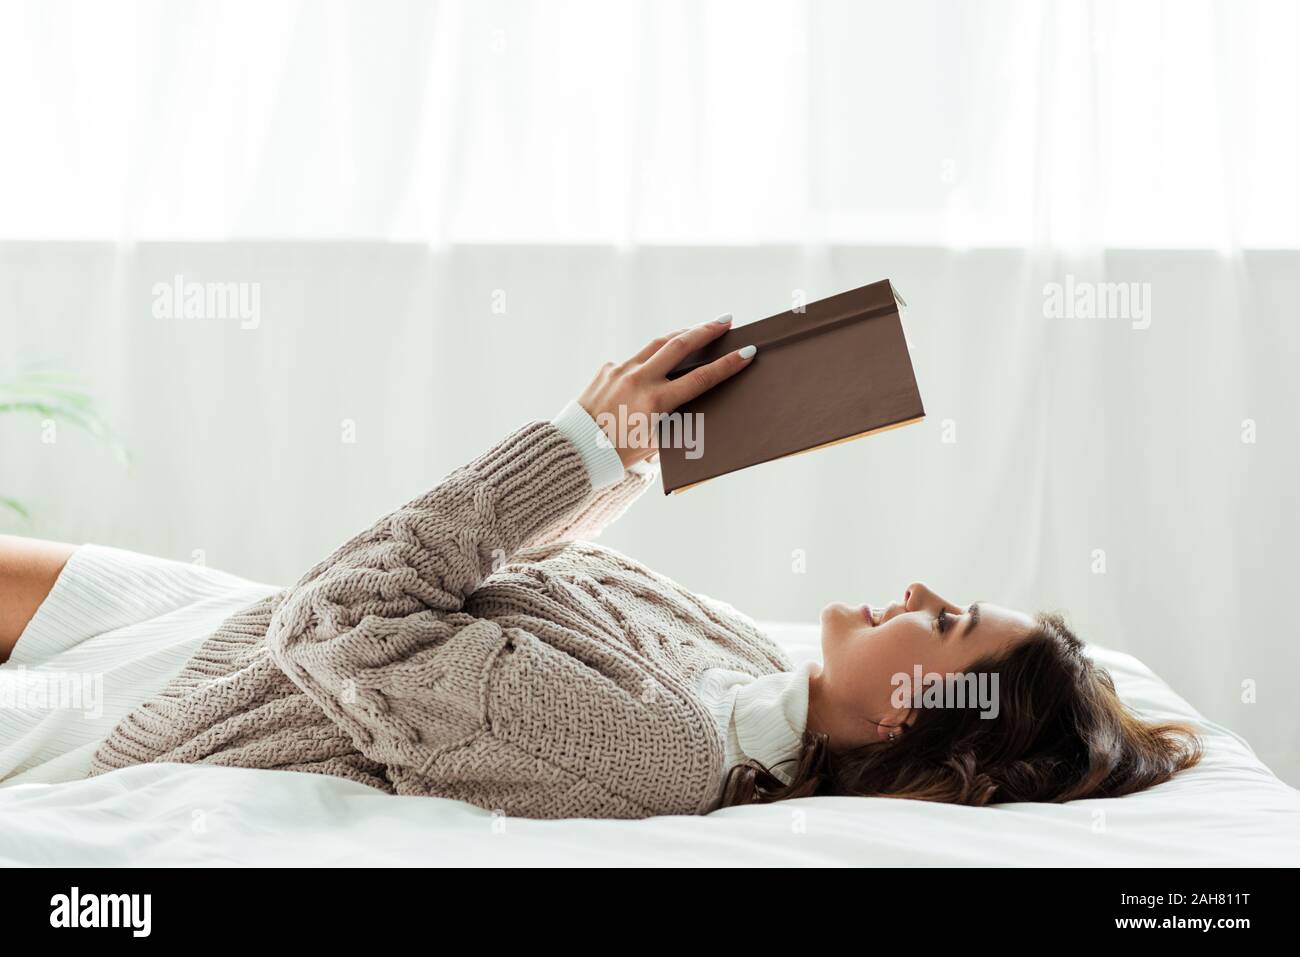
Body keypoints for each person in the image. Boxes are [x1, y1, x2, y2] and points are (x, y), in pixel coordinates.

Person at [0, 316, 1199, 816]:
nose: (925, 595)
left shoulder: (658, 755)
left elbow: (342, 626)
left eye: (946, 627)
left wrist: (576, 447)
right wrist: (627, 445)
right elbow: (539, 589)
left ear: (908, 710)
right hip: (215, 626)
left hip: (184, 701)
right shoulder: (746, 666)